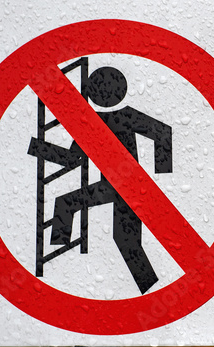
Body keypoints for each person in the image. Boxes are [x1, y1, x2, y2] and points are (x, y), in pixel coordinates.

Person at [40, 66, 172, 294]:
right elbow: (162, 132)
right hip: (125, 186)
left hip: (123, 186)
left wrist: (163, 175)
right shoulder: (119, 117)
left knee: (67, 205)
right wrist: (161, 173)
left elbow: (71, 160)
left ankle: (56, 274)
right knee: (126, 240)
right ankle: (149, 288)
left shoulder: (94, 123)